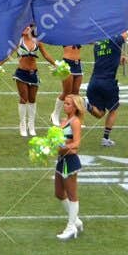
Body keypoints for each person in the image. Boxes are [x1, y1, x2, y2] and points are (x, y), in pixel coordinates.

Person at [53, 93, 84, 239]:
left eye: (68, 104)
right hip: (61, 160)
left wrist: (63, 147)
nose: (65, 106)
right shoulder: (64, 120)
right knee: (59, 193)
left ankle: (71, 227)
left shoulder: (75, 121)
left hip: (70, 161)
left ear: (75, 107)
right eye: (65, 103)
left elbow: (77, 143)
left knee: (72, 195)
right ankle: (76, 220)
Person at [12, 23, 51, 137]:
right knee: (24, 99)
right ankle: (23, 125)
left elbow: (46, 55)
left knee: (32, 99)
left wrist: (56, 64)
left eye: (27, 27)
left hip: (33, 73)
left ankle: (31, 125)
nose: (25, 29)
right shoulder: (18, 42)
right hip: (21, 73)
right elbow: (7, 55)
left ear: (31, 29)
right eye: (23, 27)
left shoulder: (37, 41)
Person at [86, 35, 125, 147]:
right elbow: (124, 34)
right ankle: (105, 138)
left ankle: (87, 105)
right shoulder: (117, 40)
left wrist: (119, 58)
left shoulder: (97, 45)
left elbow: (107, 59)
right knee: (113, 109)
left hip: (93, 82)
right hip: (108, 82)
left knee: (100, 113)